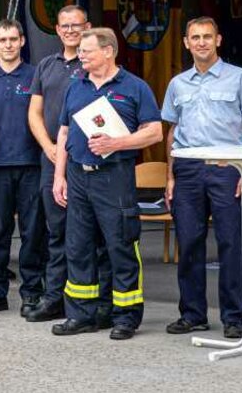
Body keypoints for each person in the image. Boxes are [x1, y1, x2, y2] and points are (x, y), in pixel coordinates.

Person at [52, 27, 163, 340]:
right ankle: (82, 314)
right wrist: (59, 176)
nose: (81, 55)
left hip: (114, 176)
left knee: (120, 244)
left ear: (108, 51)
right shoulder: (76, 87)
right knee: (78, 246)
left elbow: (154, 132)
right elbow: (62, 133)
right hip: (77, 174)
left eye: (87, 50)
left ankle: (125, 316)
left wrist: (118, 142)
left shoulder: (134, 87)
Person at [161, 16, 242, 336]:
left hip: (227, 167)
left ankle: (234, 317)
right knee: (189, 242)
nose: (202, 42)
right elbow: (172, 131)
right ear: (186, 43)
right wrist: (170, 176)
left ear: (219, 40)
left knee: (230, 243)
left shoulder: (240, 77)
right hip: (188, 170)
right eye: (196, 37)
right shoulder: (178, 83)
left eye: (208, 36)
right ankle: (193, 314)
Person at [0, 19, 43, 316]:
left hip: (31, 163)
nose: (9, 45)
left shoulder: (37, 75)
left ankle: (32, 293)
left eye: (14, 39)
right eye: (3, 40)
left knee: (32, 231)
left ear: (22, 42)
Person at [23, 3, 88, 322]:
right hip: (51, 160)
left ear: (87, 27)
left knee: (88, 232)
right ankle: (54, 297)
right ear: (57, 30)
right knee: (56, 231)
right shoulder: (45, 66)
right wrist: (49, 147)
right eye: (65, 26)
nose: (71, 31)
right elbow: (34, 112)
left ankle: (87, 300)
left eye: (76, 25)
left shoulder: (93, 65)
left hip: (86, 160)